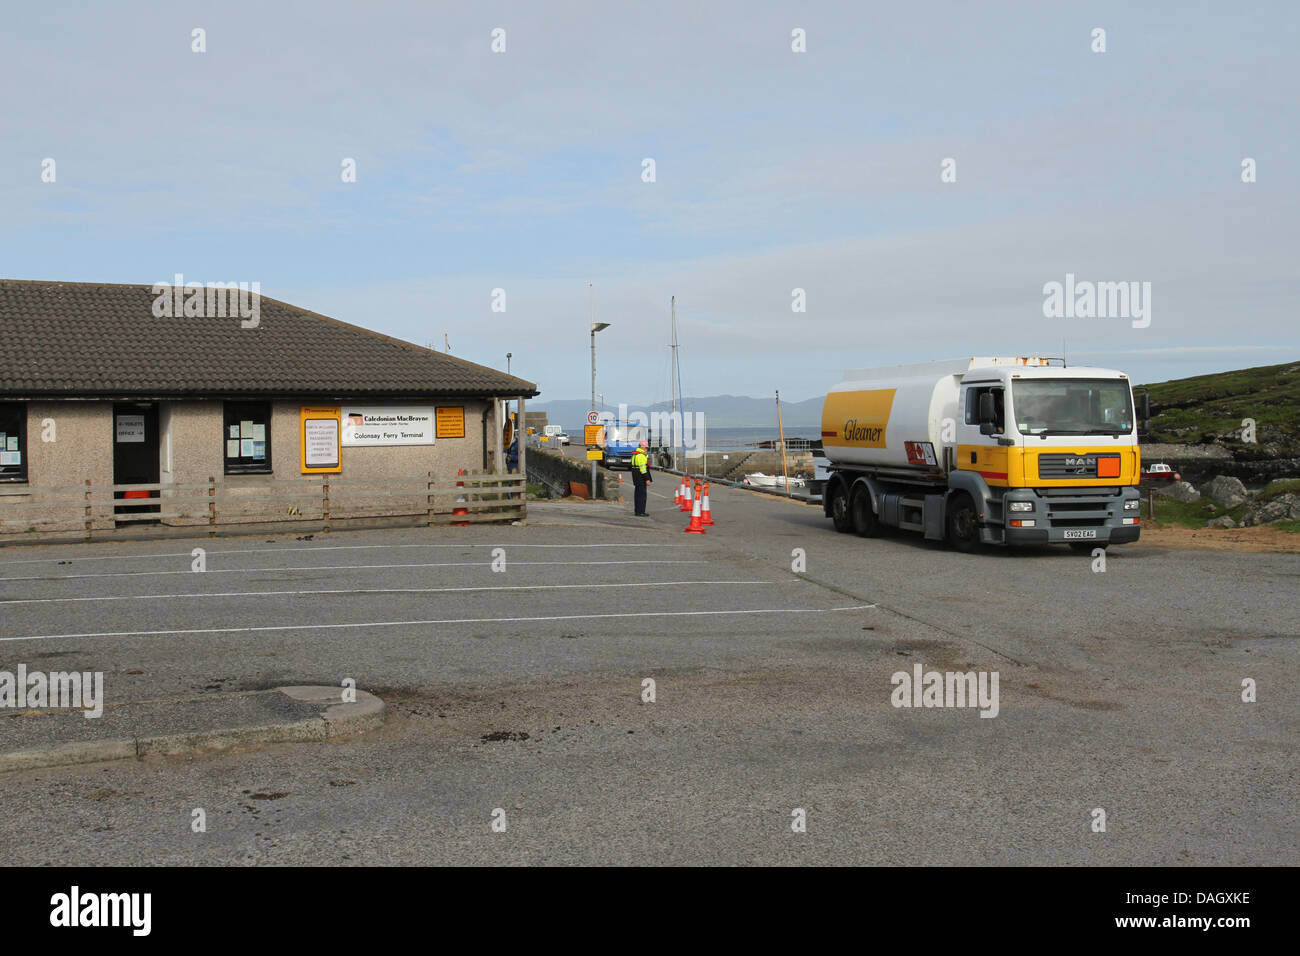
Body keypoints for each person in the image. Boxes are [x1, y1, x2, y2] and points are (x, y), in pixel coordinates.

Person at [631, 440, 652, 516]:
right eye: (646, 447)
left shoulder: (635, 455)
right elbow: (643, 470)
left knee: (637, 495)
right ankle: (641, 512)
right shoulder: (641, 456)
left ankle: (637, 511)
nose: (646, 449)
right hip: (641, 478)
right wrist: (647, 479)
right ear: (642, 447)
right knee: (642, 496)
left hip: (636, 477)